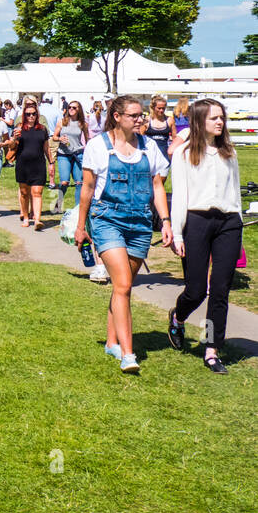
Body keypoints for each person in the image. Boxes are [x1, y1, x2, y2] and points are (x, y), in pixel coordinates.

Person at [74, 95, 173, 374]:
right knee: (124, 286)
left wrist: (165, 221)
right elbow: (87, 189)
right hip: (107, 220)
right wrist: (81, 226)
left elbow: (157, 186)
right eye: (134, 115)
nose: (140, 119)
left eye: (141, 115)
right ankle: (128, 354)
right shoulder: (98, 146)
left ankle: (111, 341)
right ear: (117, 117)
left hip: (140, 224)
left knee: (122, 285)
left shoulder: (149, 147)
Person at [168, 99, 241, 374]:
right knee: (196, 290)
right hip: (197, 221)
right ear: (200, 121)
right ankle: (178, 317)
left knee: (220, 290)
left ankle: (211, 348)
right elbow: (180, 197)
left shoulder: (228, 152)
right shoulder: (185, 153)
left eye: (222, 118)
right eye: (213, 118)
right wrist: (177, 233)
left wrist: (239, 225)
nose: (220, 122)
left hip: (228, 222)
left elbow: (233, 190)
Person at [4, 98, 54, 229]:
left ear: (37, 115)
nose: (31, 116)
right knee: (24, 193)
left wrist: (51, 162)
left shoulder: (42, 129)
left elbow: (46, 147)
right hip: (23, 164)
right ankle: (26, 217)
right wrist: (14, 138)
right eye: (28, 114)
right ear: (24, 116)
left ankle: (37, 219)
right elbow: (13, 146)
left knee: (37, 192)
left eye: (33, 114)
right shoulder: (19, 128)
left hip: (38, 164)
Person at [50, 101, 88, 215]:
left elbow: (88, 139)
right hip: (64, 154)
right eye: (69, 107)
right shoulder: (62, 122)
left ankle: (78, 209)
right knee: (64, 181)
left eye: (74, 108)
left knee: (79, 182)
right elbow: (54, 137)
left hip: (77, 154)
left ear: (79, 110)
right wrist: (60, 139)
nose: (71, 109)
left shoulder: (82, 124)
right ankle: (57, 204)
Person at [145, 96, 174, 161]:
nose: (161, 110)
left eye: (163, 108)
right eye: (159, 108)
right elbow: (140, 138)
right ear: (153, 107)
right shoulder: (147, 120)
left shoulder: (169, 120)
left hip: (164, 154)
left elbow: (174, 138)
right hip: (150, 154)